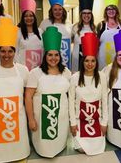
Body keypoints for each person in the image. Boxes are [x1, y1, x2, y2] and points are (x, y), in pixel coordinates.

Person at [0, 18, 30, 163]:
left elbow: (26, 93)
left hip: (18, 116)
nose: (6, 55)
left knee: (19, 153)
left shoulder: (23, 70)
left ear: (14, 52)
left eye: (10, 51)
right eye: (3, 51)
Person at [25, 26, 71, 158]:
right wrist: (31, 120)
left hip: (61, 117)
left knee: (59, 143)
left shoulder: (66, 72)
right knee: (44, 146)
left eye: (56, 55)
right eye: (50, 55)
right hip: (41, 118)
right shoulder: (35, 73)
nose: (53, 58)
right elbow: (28, 97)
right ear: (45, 56)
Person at [69, 32, 108, 155]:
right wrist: (73, 124)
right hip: (80, 120)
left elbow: (105, 101)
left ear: (96, 63)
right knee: (81, 149)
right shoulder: (75, 77)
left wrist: (104, 123)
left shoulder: (101, 76)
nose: (90, 64)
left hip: (96, 119)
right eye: (87, 61)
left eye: (93, 61)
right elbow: (71, 102)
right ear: (82, 62)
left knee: (98, 149)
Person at [39, 0, 72, 69]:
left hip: (65, 58)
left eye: (60, 9)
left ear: (63, 11)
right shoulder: (45, 23)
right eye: (55, 9)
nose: (58, 12)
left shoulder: (69, 24)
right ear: (51, 11)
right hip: (51, 58)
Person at [97, 0, 121, 70]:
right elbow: (96, 43)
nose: (111, 11)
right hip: (103, 59)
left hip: (119, 58)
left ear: (116, 11)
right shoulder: (101, 25)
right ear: (105, 11)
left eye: (113, 9)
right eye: (108, 9)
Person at [15, 0, 43, 71]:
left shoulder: (40, 32)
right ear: (22, 18)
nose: (28, 18)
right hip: (23, 69)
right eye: (26, 16)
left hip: (38, 69)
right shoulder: (18, 32)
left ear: (34, 17)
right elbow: (15, 51)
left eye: (31, 15)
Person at [71, 0, 96, 73]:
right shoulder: (75, 27)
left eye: (89, 13)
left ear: (91, 15)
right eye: (84, 13)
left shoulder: (95, 28)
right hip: (76, 58)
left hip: (90, 60)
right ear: (81, 15)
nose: (86, 15)